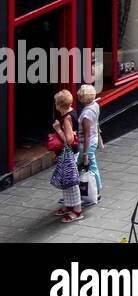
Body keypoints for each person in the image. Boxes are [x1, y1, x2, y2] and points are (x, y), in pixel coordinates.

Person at [51, 89, 84, 224]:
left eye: (56, 103)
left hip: (68, 152)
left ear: (59, 105)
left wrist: (58, 129)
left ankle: (77, 210)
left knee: (70, 180)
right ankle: (69, 205)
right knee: (67, 179)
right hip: (69, 152)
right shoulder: (72, 112)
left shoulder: (66, 118)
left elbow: (69, 140)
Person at [76, 84, 102, 208]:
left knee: (85, 165)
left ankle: (93, 191)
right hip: (94, 140)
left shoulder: (86, 114)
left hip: (87, 143)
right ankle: (95, 190)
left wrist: (85, 154)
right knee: (92, 166)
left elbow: (86, 135)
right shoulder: (95, 105)